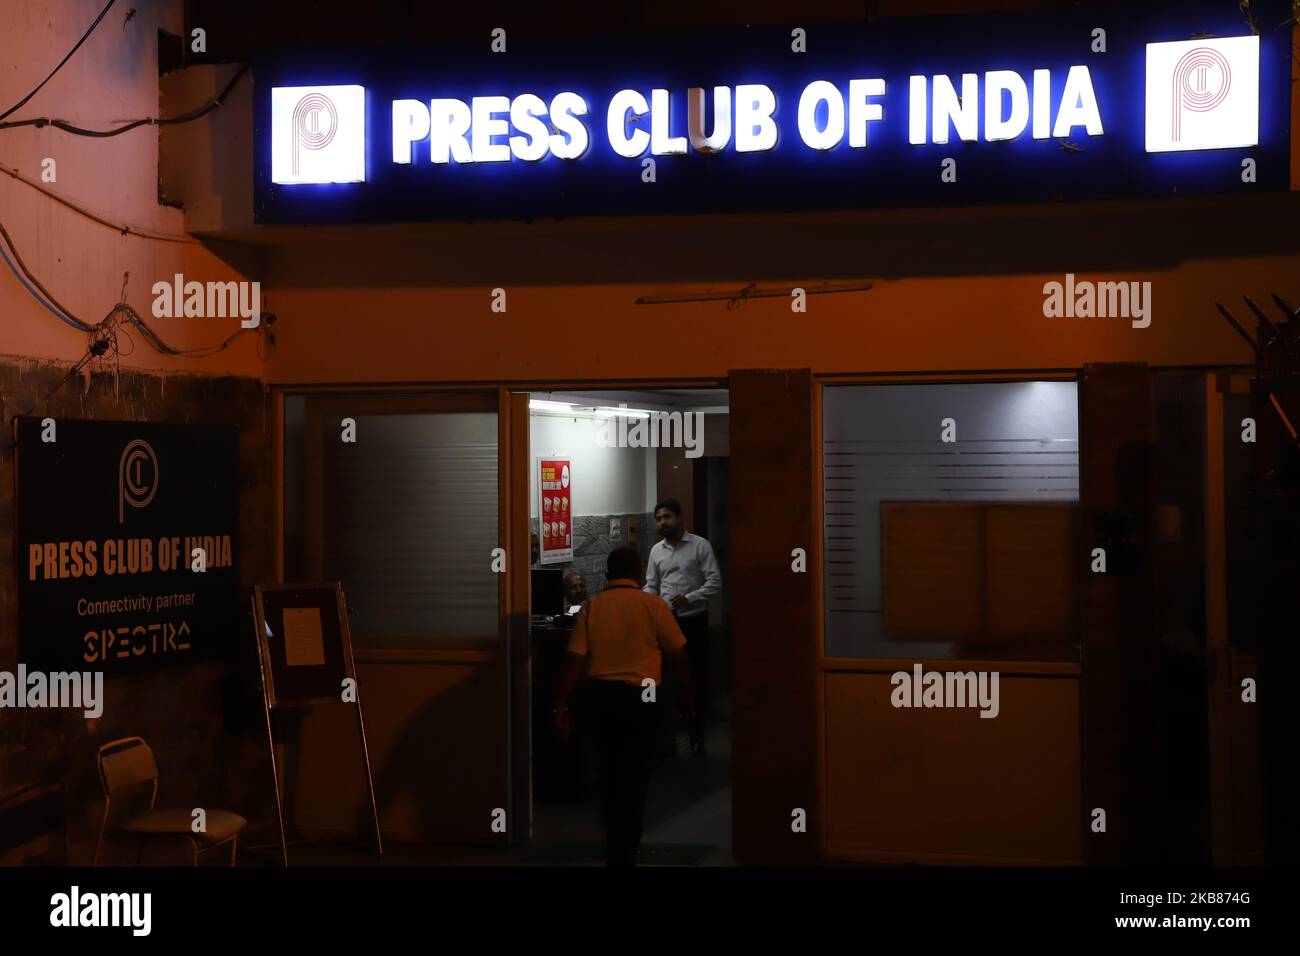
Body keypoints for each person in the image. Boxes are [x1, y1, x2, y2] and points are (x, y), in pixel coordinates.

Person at [553, 547, 694, 867]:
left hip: (601, 696)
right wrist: (687, 699)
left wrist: (560, 703)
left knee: (607, 766)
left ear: (607, 574)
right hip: (644, 697)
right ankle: (627, 839)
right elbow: (678, 656)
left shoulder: (592, 607)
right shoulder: (654, 606)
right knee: (637, 770)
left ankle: (614, 834)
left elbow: (573, 660)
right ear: (639, 572)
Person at [643, 497, 721, 757]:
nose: (662, 523)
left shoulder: (700, 546)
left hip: (693, 621)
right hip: (665, 622)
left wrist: (690, 597)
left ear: (680, 518)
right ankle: (665, 739)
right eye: (658, 518)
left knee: (695, 679)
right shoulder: (656, 551)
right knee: (664, 678)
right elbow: (651, 585)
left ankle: (697, 736)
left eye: (666, 517)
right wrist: (646, 602)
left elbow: (714, 582)